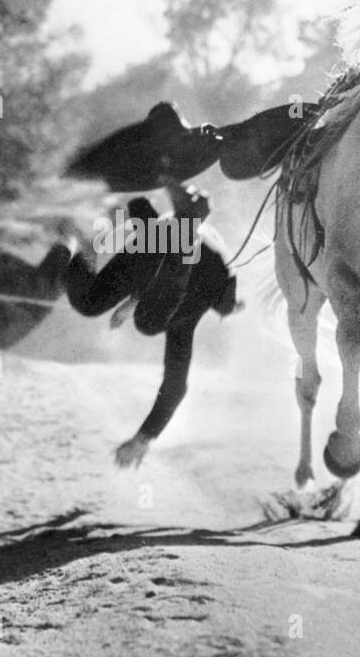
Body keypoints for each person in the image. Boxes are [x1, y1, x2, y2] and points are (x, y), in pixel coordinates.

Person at [65, 179, 240, 467]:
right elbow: (176, 385)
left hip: (183, 261)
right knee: (95, 306)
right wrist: (143, 438)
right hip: (169, 256)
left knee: (102, 306)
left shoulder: (192, 306)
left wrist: (144, 437)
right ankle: (86, 240)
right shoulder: (184, 305)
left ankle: (96, 241)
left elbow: (177, 385)